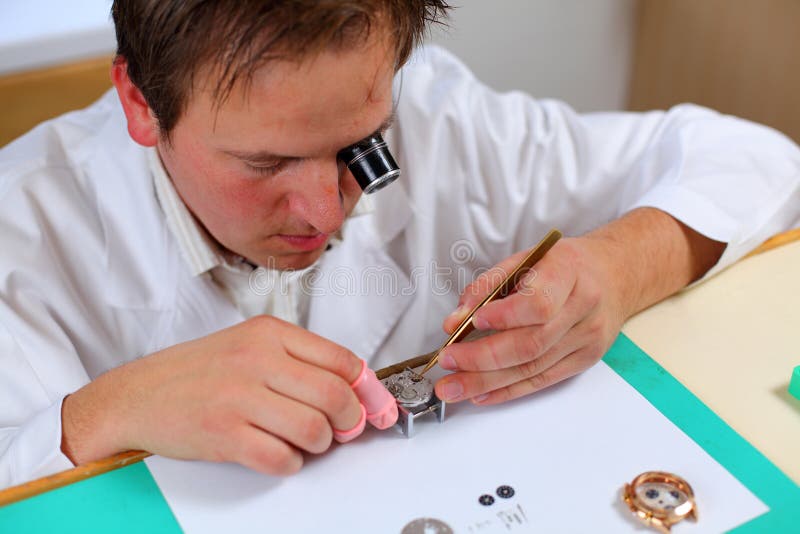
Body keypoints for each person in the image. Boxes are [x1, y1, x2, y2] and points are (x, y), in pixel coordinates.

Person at [1, 0, 799, 489]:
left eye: (362, 146)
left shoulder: (440, 117)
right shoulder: (23, 232)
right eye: (266, 164)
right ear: (140, 103)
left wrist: (620, 267)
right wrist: (103, 414)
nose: (325, 211)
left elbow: (756, 159)